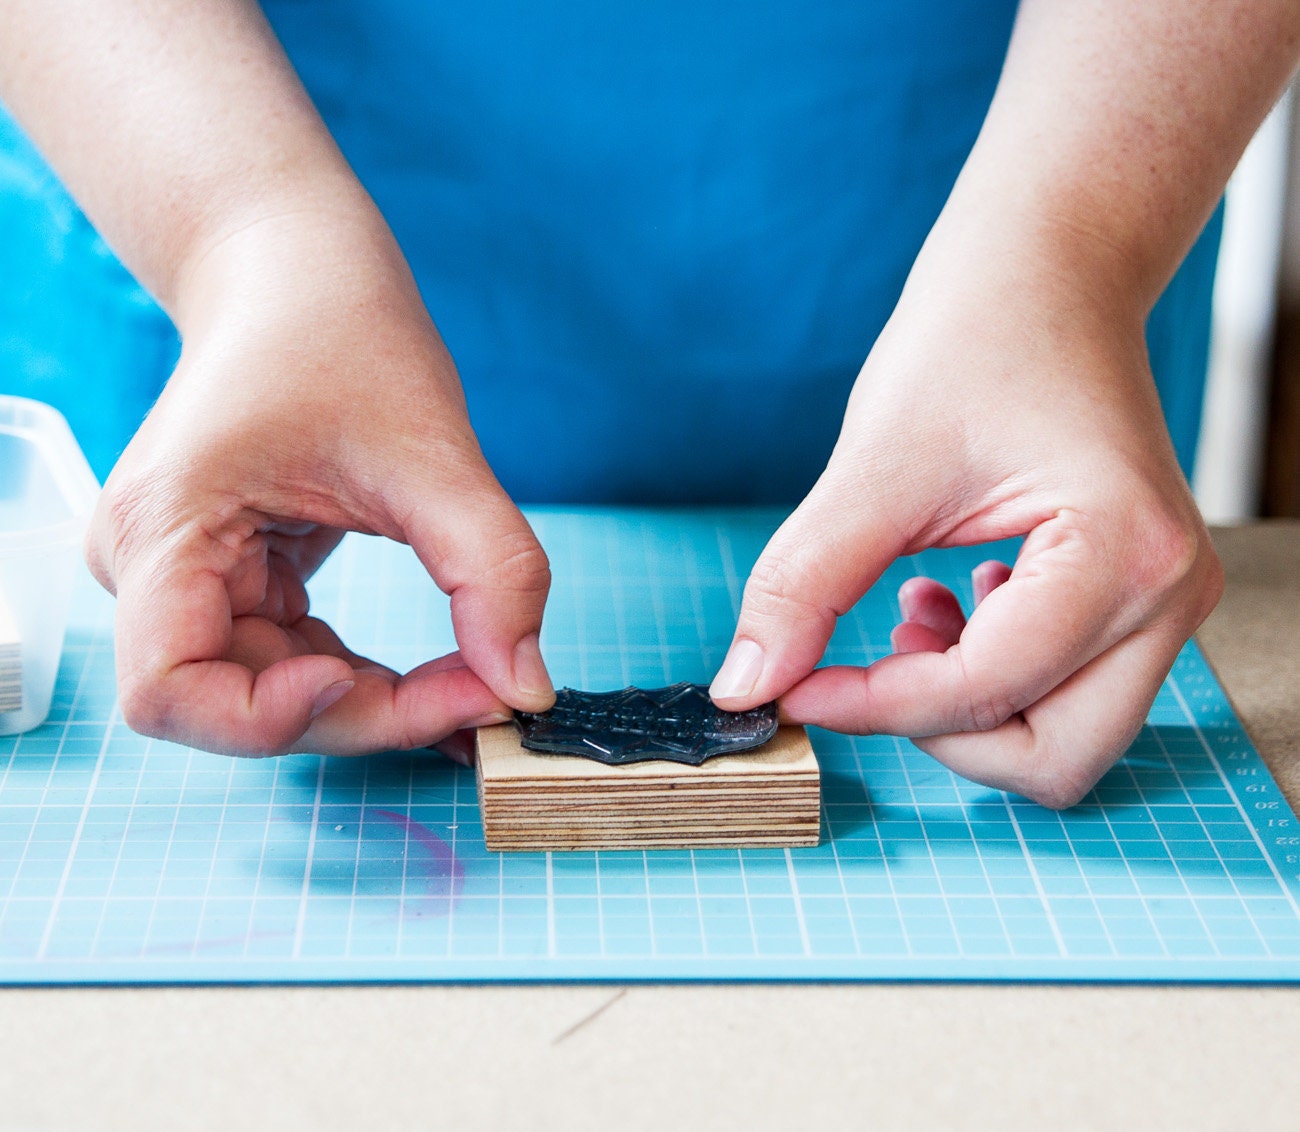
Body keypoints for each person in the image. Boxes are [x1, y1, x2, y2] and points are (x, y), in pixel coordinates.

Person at [0, 1, 1295, 805]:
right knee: (212, 607)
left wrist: (1067, 257)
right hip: (190, 144)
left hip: (1027, 164)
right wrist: (246, 243)